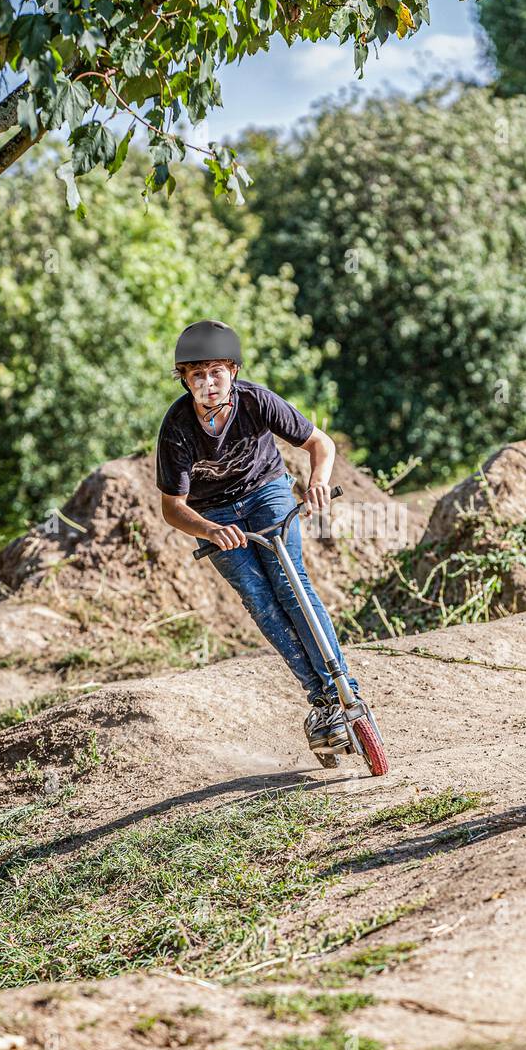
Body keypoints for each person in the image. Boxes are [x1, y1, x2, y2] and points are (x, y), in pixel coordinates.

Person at [155, 318, 362, 752]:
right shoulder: (176, 428)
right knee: (259, 598)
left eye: (216, 372)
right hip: (213, 513)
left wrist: (319, 479)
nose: (208, 383)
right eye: (197, 375)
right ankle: (322, 699)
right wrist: (211, 529)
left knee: (290, 583)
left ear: (232, 371)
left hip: (266, 490)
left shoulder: (256, 401)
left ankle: (344, 686)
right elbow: (173, 508)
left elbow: (320, 444)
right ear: (185, 380)